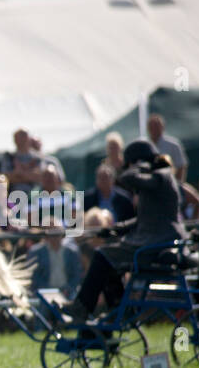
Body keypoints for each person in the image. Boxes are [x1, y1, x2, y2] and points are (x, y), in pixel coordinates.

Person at [65, 139, 186, 323]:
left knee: (102, 255)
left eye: (130, 163)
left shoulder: (161, 175)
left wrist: (138, 167)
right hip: (156, 240)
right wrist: (115, 229)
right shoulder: (159, 180)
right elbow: (145, 219)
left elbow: (127, 178)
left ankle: (83, 306)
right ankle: (118, 311)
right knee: (109, 261)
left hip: (156, 244)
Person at [147, 114, 187, 184]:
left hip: (169, 183)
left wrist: (177, 184)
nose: (154, 129)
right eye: (152, 127)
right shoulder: (145, 146)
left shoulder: (173, 145)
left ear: (162, 127)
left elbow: (181, 166)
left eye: (157, 126)